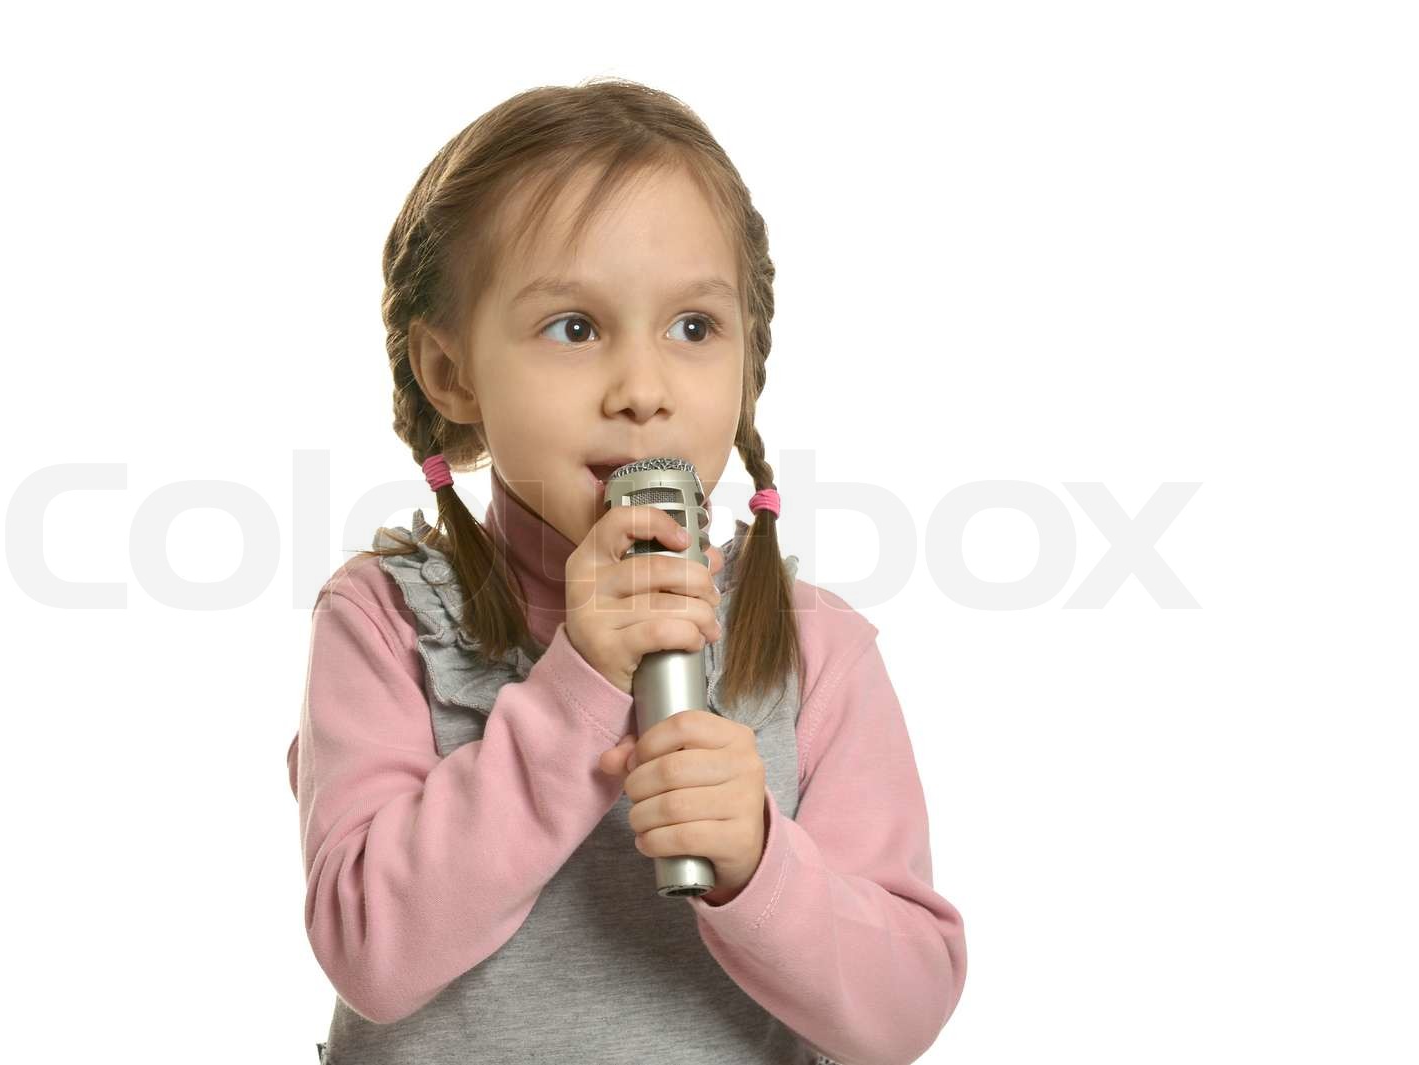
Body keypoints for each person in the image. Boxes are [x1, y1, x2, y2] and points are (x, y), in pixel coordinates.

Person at [286, 76, 967, 1065]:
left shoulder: (817, 653)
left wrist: (760, 867)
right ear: (450, 372)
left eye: (693, 328)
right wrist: (579, 687)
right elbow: (372, 953)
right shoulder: (384, 622)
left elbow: (902, 1013)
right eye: (575, 327)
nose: (642, 392)